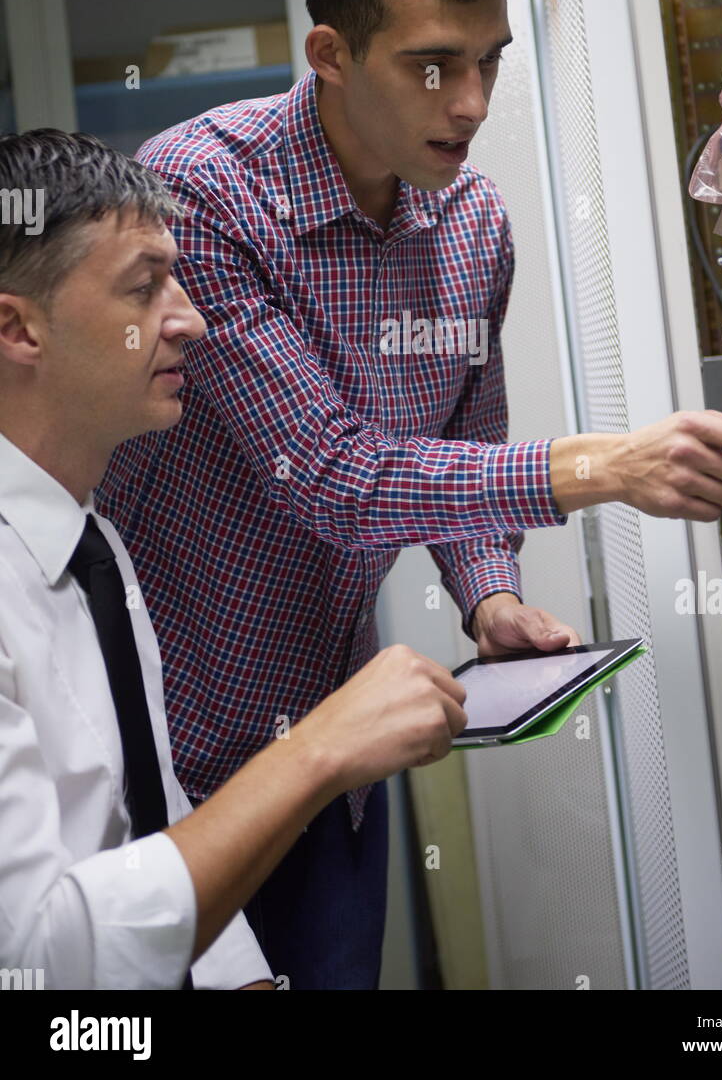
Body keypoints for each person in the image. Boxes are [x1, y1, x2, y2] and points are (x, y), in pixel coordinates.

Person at [96, 0, 722, 989]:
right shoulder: (205, 193)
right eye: (433, 65)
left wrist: (488, 595)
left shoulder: (473, 222)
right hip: (164, 758)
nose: (470, 103)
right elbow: (330, 475)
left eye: (488, 62)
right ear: (330, 54)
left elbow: (465, 429)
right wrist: (603, 464)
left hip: (334, 749)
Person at [0, 130, 468, 989]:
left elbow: (148, 814)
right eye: (143, 288)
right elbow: (37, 956)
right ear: (17, 328)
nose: (190, 319)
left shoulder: (93, 545)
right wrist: (318, 751)